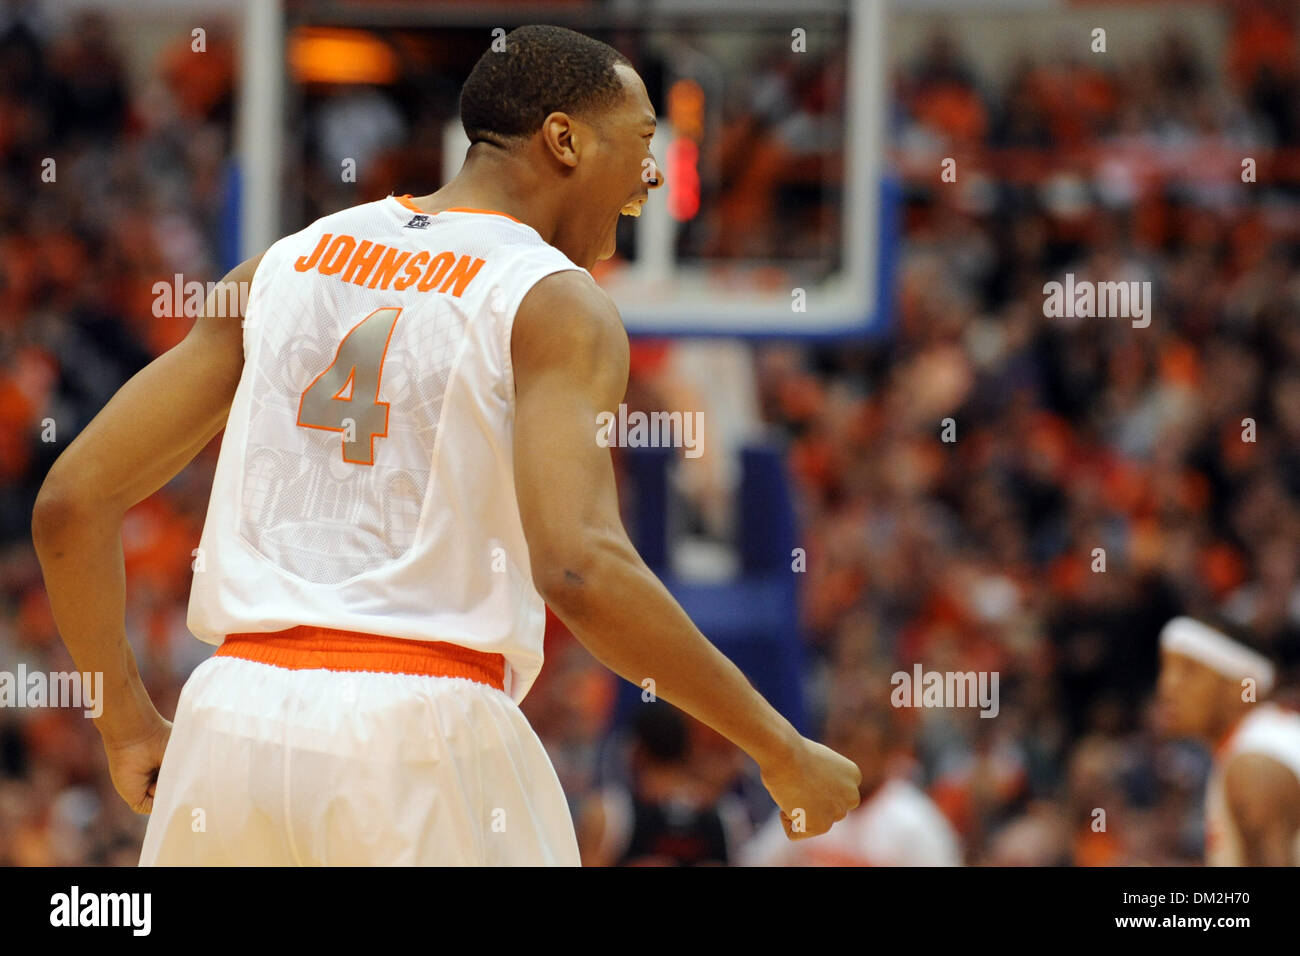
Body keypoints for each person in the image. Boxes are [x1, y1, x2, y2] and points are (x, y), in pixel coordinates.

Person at [31, 24, 860, 865]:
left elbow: (70, 502)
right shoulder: (553, 304)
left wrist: (127, 721)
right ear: (563, 139)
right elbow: (580, 567)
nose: (652, 171)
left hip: (229, 724)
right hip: (422, 729)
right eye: (643, 142)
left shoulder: (278, 267)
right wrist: (778, 747)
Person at [1156, 615, 1300, 866]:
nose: (1167, 685)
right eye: (1166, 669)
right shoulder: (1251, 744)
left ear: (1239, 686)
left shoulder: (1254, 765)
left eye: (1190, 671)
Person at [740, 704, 962, 866]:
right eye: (841, 745)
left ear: (887, 755)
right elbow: (756, 861)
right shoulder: (807, 803)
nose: (847, 758)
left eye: (862, 749)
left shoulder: (917, 822)